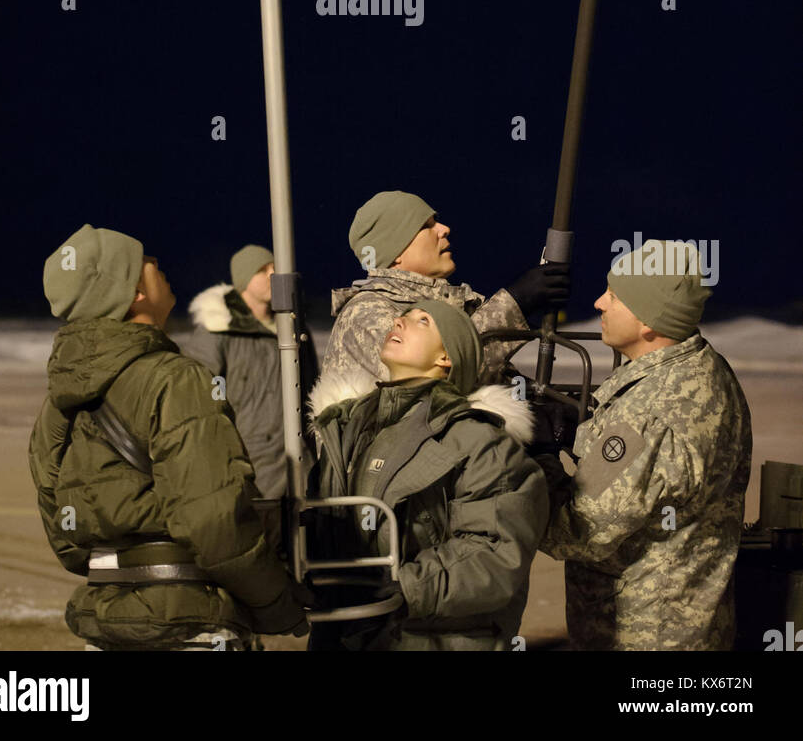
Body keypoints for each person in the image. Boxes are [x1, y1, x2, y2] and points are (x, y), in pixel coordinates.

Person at [28, 224, 307, 651]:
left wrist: (121, 568)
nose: (159, 265)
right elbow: (215, 523)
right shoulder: (175, 379)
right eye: (148, 263)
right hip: (188, 625)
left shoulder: (57, 402)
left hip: (105, 620)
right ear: (135, 290)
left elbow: (62, 531)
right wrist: (277, 602)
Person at [537, 238, 752, 651]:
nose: (599, 303)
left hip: (640, 635)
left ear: (649, 320)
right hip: (693, 623)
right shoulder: (704, 368)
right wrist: (581, 431)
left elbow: (576, 533)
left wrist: (542, 457)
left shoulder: (650, 412)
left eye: (614, 297)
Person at [307, 299, 549, 651]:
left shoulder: (479, 439)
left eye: (422, 321)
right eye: (402, 316)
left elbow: (495, 551)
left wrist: (407, 588)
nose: (400, 322)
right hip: (344, 636)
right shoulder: (345, 428)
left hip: (431, 638)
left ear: (446, 358)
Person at [322, 189, 569, 386]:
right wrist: (516, 303)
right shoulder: (366, 314)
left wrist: (536, 403)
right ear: (395, 251)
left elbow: (485, 379)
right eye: (426, 226)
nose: (443, 229)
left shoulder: (436, 304)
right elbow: (433, 381)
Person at [183, 244, 318, 502]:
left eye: (275, 268)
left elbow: (313, 390)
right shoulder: (217, 331)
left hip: (301, 468)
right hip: (250, 471)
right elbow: (197, 404)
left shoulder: (296, 330)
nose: (272, 274)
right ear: (244, 279)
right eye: (262, 270)